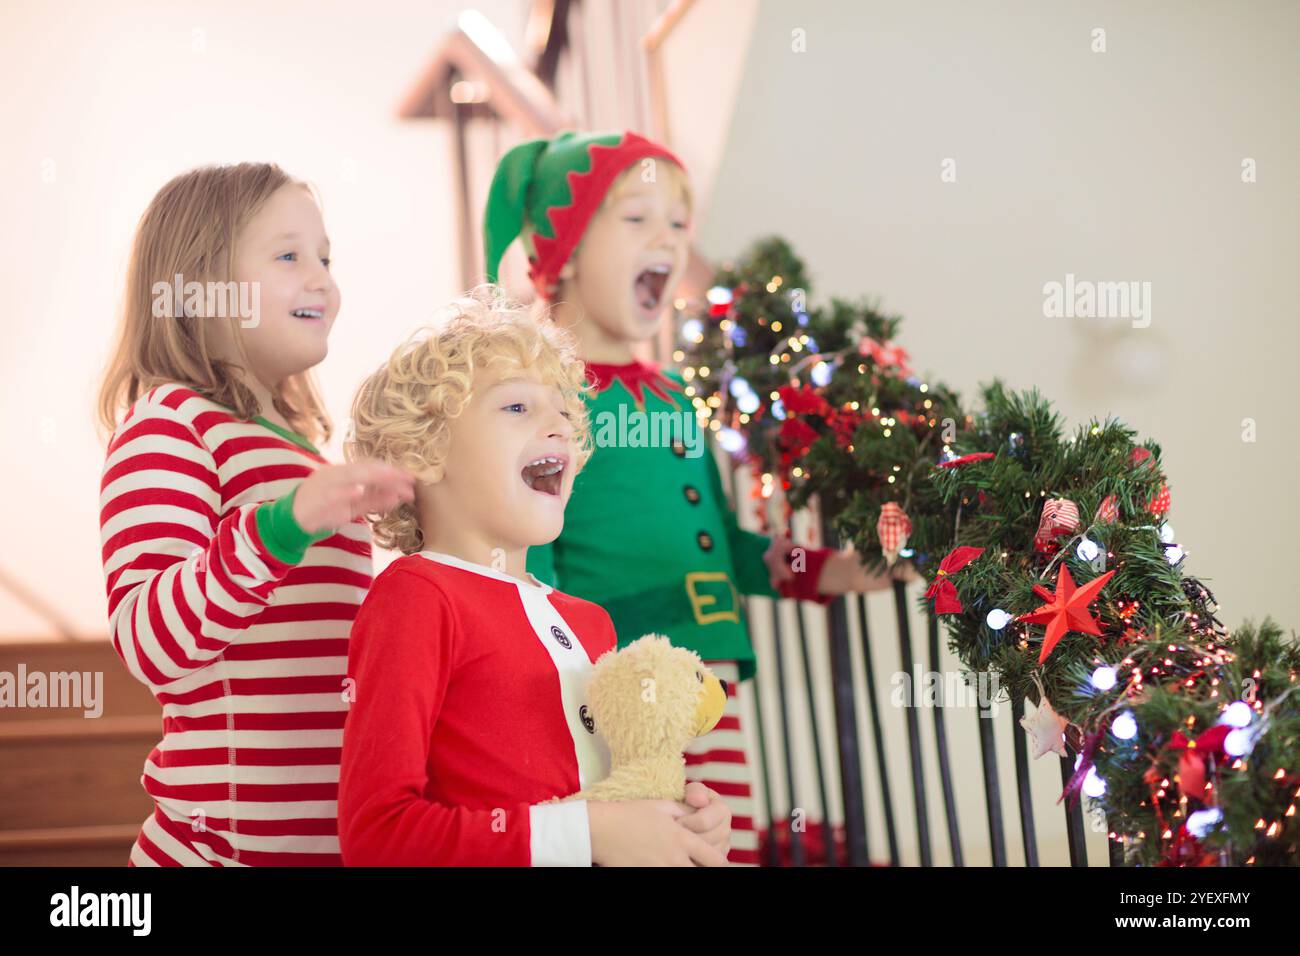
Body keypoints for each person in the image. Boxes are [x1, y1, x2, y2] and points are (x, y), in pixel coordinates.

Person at [97, 162, 413, 865]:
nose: (323, 278)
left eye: (326, 258)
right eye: (289, 255)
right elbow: (152, 643)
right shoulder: (170, 424)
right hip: (218, 852)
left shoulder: (303, 452)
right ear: (203, 284)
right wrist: (280, 527)